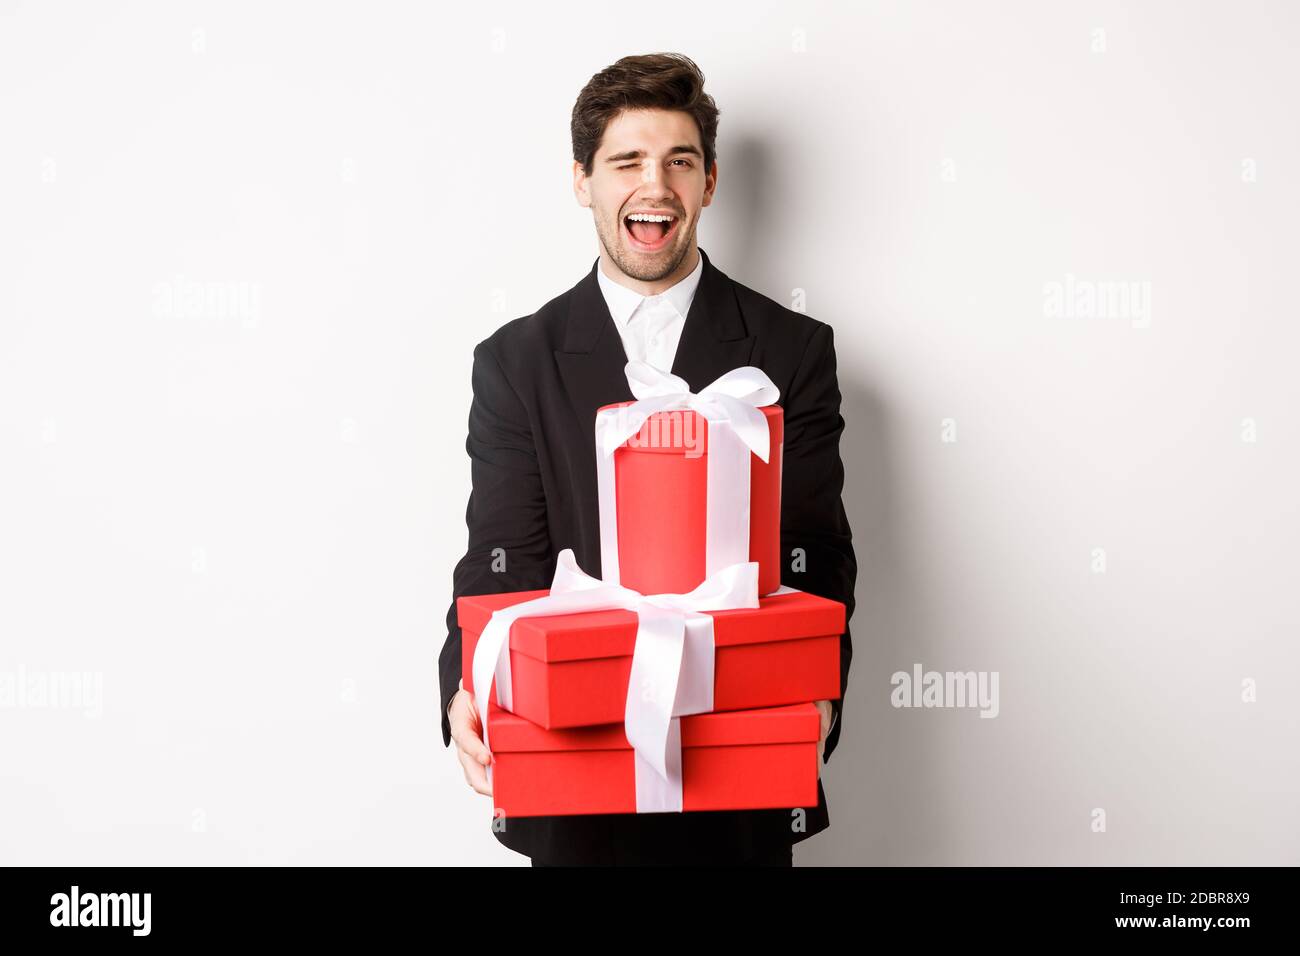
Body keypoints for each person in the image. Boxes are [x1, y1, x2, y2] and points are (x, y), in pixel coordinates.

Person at [439, 52, 856, 866]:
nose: (654, 186)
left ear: (709, 183)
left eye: (679, 162)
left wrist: (820, 698)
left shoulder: (793, 349)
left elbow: (817, 555)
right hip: (574, 774)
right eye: (626, 162)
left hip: (738, 780)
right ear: (583, 181)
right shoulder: (516, 362)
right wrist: (465, 684)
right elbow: (502, 557)